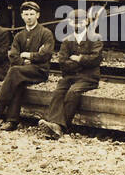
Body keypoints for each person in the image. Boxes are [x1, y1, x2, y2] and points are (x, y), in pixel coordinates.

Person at [0, 1, 54, 130]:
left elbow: (45, 55)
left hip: (39, 71)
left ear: (38, 15)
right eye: (26, 14)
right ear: (22, 16)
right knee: (17, 82)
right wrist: (25, 60)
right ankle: (11, 121)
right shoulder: (19, 35)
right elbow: (13, 56)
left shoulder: (46, 33)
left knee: (14, 71)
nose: (29, 17)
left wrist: (28, 55)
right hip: (23, 70)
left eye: (32, 14)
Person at [38, 8, 104, 138]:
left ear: (86, 22)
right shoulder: (67, 40)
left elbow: (95, 59)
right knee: (58, 91)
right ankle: (52, 123)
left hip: (89, 78)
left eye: (80, 21)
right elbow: (62, 61)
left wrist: (79, 58)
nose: (77, 24)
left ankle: (61, 127)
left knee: (72, 92)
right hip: (70, 76)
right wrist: (82, 62)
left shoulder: (95, 38)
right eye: (74, 22)